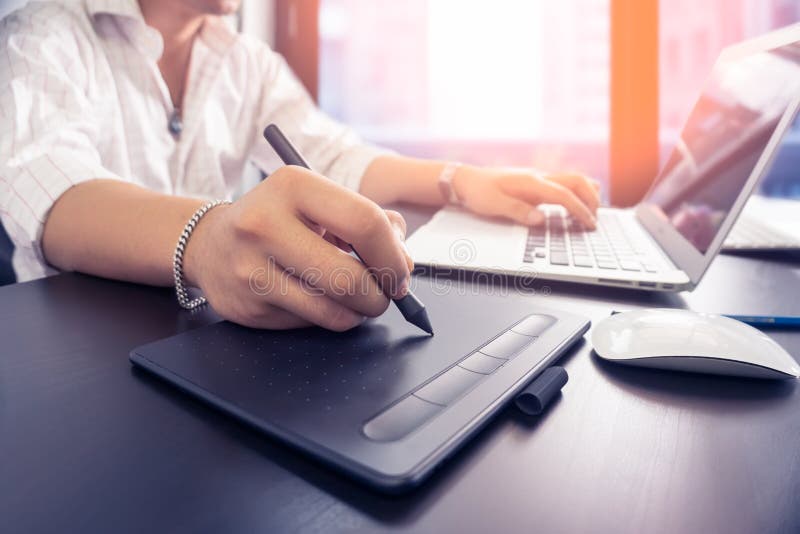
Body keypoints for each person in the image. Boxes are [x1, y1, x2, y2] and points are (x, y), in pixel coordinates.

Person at [0, 0, 600, 331]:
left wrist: (459, 180)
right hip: (77, 356)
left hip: (212, 345)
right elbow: (54, 191)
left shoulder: (245, 61)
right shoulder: (41, 36)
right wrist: (209, 240)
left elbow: (330, 155)